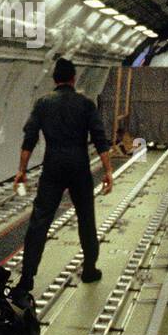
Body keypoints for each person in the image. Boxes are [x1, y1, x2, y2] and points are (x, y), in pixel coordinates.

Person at [11, 57, 113, 302]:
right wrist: (108, 171)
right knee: (86, 218)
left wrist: (22, 170)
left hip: (53, 165)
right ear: (73, 78)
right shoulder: (86, 104)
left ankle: (27, 278)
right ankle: (89, 269)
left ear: (55, 79)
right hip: (79, 165)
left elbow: (30, 138)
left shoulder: (43, 103)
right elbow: (100, 138)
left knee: (40, 221)